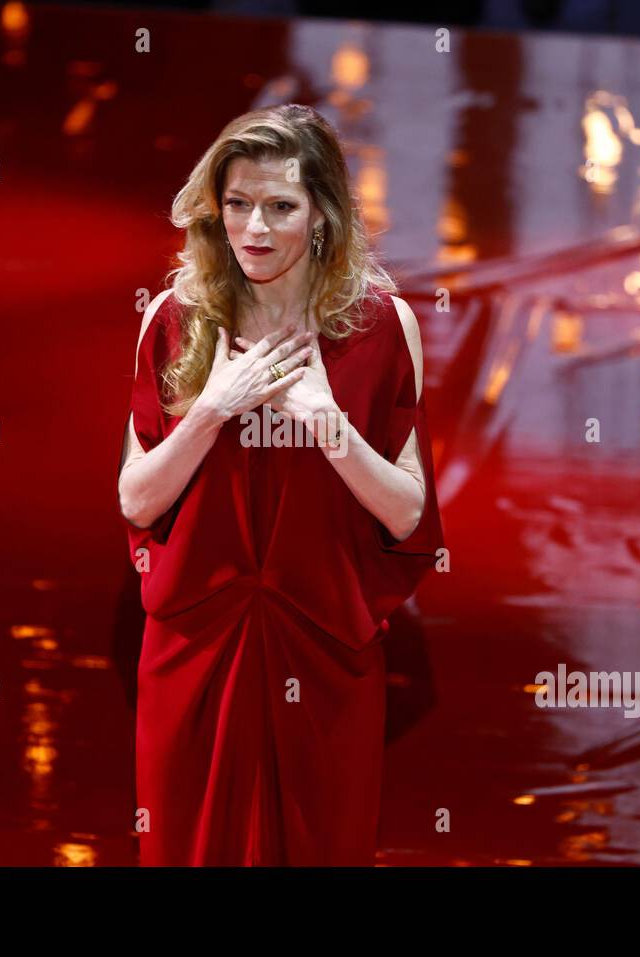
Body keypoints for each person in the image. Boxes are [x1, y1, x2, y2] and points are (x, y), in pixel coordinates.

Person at [117, 104, 444, 865]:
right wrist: (211, 411)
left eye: (280, 207)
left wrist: (328, 423)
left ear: (322, 214)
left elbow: (408, 515)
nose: (254, 228)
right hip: (194, 643)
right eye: (237, 203)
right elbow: (137, 500)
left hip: (323, 649)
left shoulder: (383, 326)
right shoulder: (174, 319)